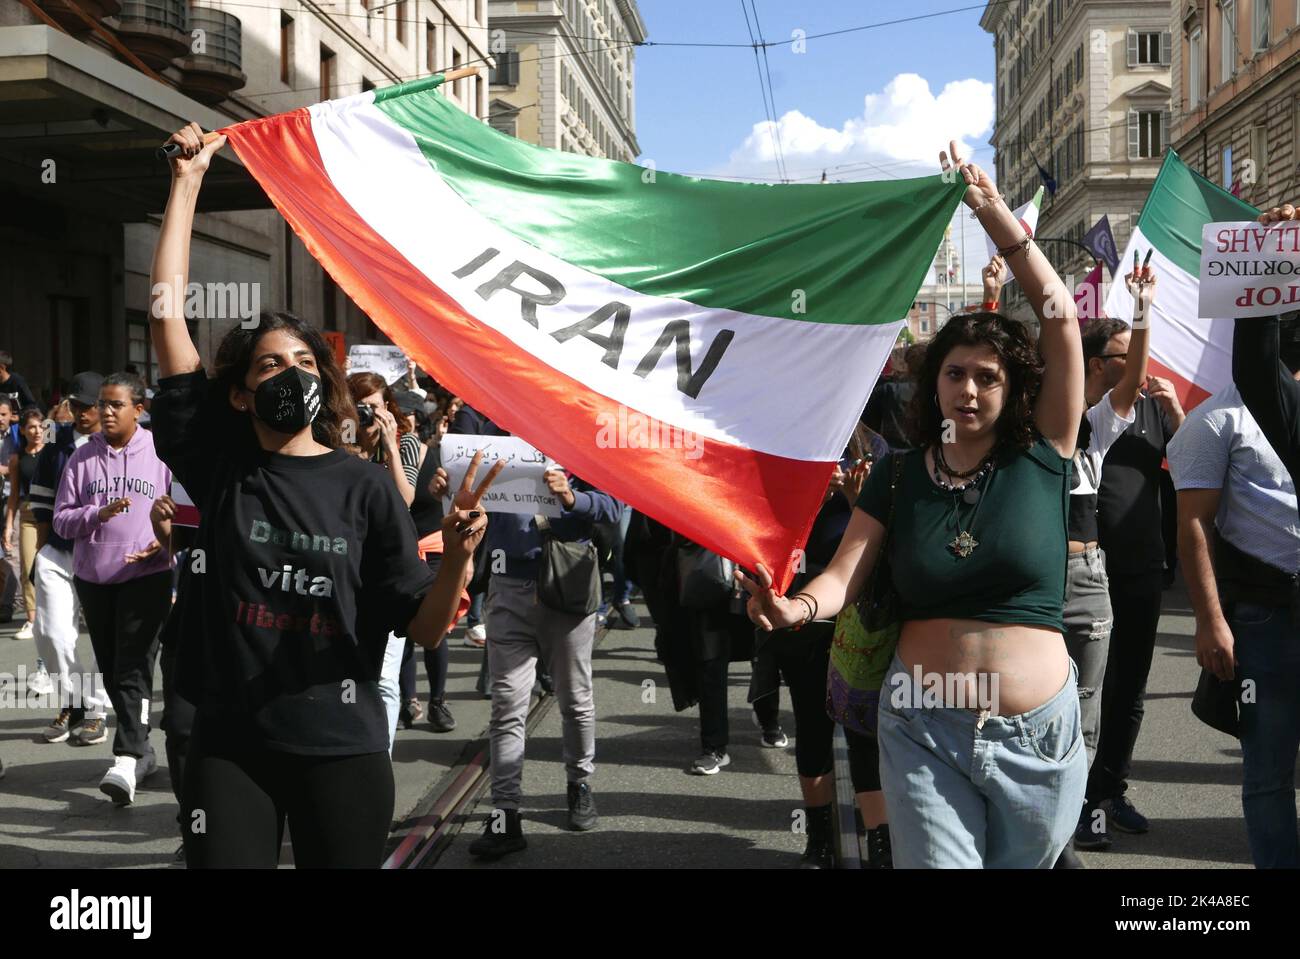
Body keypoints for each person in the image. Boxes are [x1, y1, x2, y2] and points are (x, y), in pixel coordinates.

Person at [740, 140, 1087, 868]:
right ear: (933, 385)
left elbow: (1059, 321)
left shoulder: (1045, 454)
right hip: (923, 726)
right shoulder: (898, 475)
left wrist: (992, 213)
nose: (967, 389)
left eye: (986, 377)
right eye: (954, 373)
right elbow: (843, 575)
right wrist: (796, 608)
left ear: (1012, 388)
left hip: (1037, 738)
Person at [150, 123, 487, 868]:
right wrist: (186, 185)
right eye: (269, 366)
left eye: (304, 360)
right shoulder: (220, 465)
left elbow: (424, 630)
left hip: (343, 749)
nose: (291, 375)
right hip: (230, 748)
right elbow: (166, 314)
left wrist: (458, 558)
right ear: (239, 395)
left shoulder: (366, 487)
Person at [1168, 328, 1300, 868]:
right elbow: (1192, 524)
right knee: (1268, 772)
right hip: (1263, 618)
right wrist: (1210, 621)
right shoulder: (1216, 419)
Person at [469, 468, 620, 860]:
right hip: (507, 588)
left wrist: (572, 498)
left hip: (566, 586)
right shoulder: (500, 442)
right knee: (507, 706)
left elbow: (614, 506)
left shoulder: (581, 440)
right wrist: (452, 495)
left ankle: (579, 785)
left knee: (575, 699)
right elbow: (473, 507)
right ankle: (505, 814)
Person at [1076, 325, 1184, 852]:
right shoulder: (1082, 414)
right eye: (1128, 356)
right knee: (1084, 690)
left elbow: (1190, 472)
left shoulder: (1153, 409)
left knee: (1130, 690)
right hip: (1087, 575)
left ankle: (1109, 790)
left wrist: (1177, 414)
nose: (1143, 367)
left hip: (1143, 568)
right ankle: (1074, 799)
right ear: (1097, 364)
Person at [52, 373, 176, 805]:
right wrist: (95, 514)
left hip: (149, 575)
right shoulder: (81, 458)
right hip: (95, 578)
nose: (104, 412)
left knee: (133, 666)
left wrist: (163, 545)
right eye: (101, 404)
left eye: (115, 404)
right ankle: (141, 750)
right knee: (112, 667)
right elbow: (61, 519)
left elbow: (185, 513)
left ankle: (125, 756)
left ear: (138, 409)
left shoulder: (162, 453)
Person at [28, 372, 111, 741]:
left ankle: (93, 709)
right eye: (74, 404)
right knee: (53, 633)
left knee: (105, 638)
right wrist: (40, 552)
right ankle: (76, 699)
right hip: (59, 551)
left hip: (103, 553)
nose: (78, 411)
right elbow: (43, 507)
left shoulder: (119, 442)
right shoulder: (55, 442)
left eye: (86, 405)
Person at [349, 371, 427, 733]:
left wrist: (391, 445)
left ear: (388, 409)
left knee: (384, 676)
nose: (367, 415)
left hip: (386, 566)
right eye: (359, 407)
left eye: (374, 407)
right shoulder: (339, 441)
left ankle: (381, 751)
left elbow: (404, 500)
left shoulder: (405, 443)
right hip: (347, 564)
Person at [4, 408, 47, 640]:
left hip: (51, 514)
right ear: (22, 430)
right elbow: (13, 496)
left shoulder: (52, 453)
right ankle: (32, 621)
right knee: (28, 567)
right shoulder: (17, 458)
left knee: (51, 567)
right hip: (28, 515)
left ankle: (53, 614)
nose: (37, 431)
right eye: (31, 427)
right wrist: (9, 525)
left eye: (41, 426)